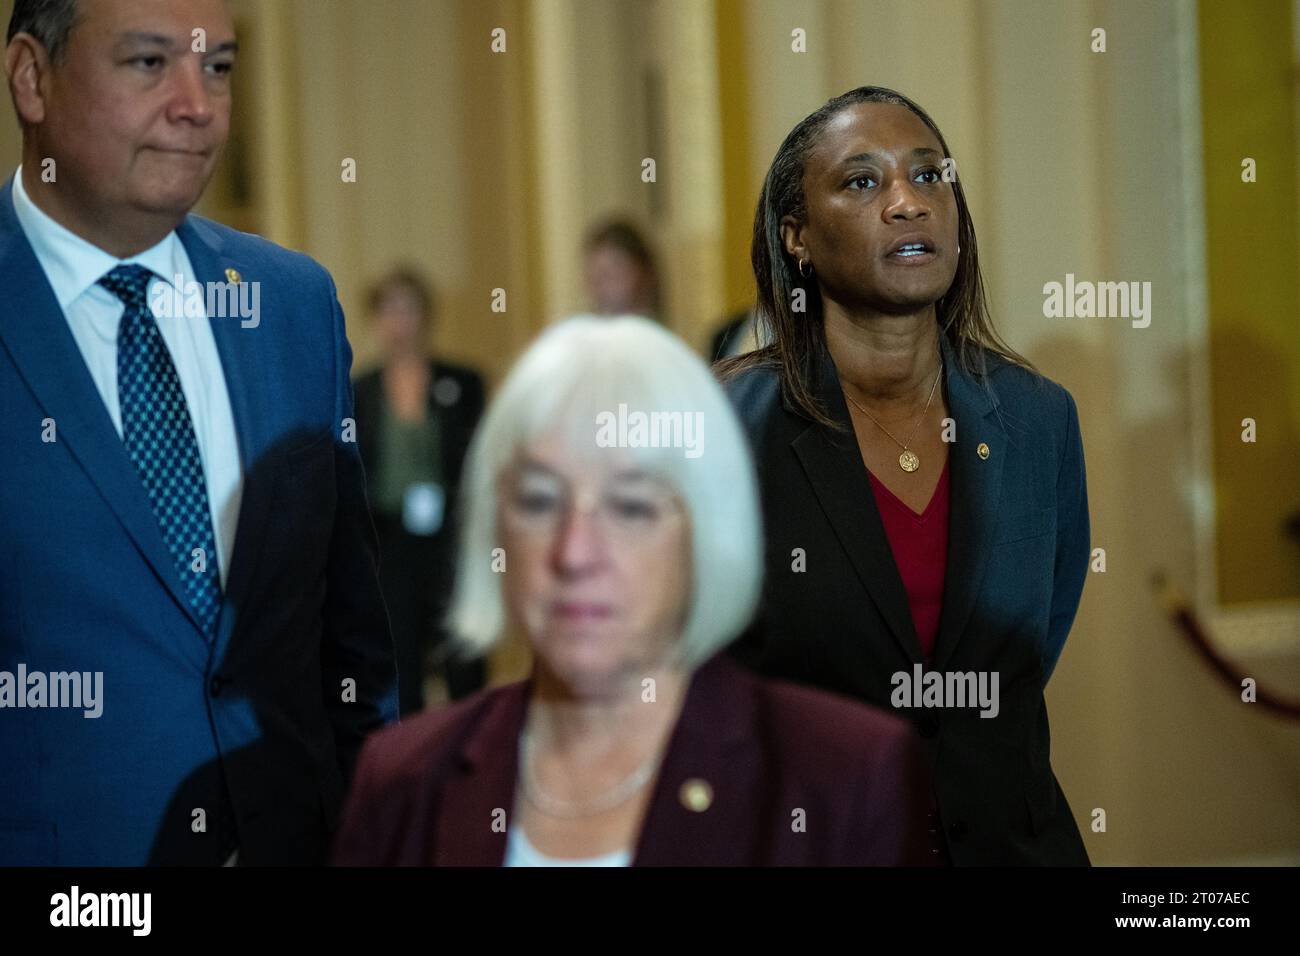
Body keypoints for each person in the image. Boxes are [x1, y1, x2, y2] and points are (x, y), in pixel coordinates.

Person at [0, 0, 396, 865]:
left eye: (216, 66)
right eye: (150, 65)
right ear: (32, 78)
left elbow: (353, 644)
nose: (198, 104)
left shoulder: (291, 306)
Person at [333, 316, 933, 866]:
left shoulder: (843, 780)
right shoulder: (402, 781)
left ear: (707, 534)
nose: (574, 552)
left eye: (630, 507)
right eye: (540, 501)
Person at [717, 86, 1091, 865]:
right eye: (862, 182)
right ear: (798, 239)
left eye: (930, 176)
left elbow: (1030, 651)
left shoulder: (1036, 419)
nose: (907, 204)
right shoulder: (725, 427)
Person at [352, 267, 487, 712]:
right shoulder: (361, 391)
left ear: (426, 315)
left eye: (407, 308)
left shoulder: (462, 382)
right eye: (389, 310)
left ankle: (472, 753)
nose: (399, 321)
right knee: (399, 654)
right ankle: (410, 758)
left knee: (461, 652)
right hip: (390, 541)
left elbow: (478, 461)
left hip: (450, 537)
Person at [582, 218, 660, 320]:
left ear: (644, 271)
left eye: (615, 269)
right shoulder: (576, 332)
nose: (603, 284)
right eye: (598, 274)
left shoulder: (659, 335)